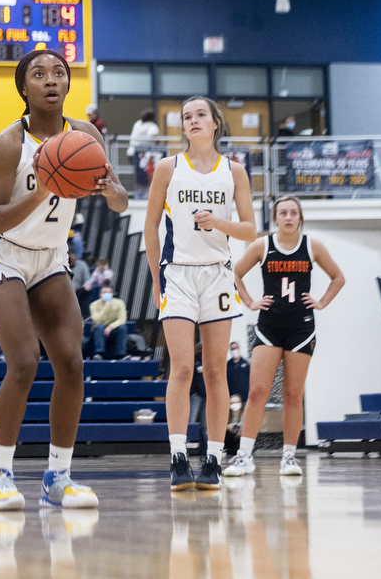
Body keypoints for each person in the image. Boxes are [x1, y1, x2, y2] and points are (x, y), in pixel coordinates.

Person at [0, 49, 126, 512]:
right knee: (23, 362)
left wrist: (111, 191)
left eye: (59, 72)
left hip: (51, 256)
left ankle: (58, 478)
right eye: (39, 74)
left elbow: (118, 202)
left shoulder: (85, 135)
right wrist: (44, 189)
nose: (51, 80)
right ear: (24, 88)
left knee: (72, 365)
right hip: (2, 257)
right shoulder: (8, 145)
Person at [144, 96, 257, 493]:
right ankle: (177, 457)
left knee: (215, 371)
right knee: (180, 369)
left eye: (199, 115)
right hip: (177, 275)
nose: (192, 120)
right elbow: (150, 226)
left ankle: (212, 459)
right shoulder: (168, 168)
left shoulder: (234, 171)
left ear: (215, 123)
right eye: (186, 116)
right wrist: (157, 279)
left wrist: (218, 221)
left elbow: (250, 231)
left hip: (217, 277)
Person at [226, 196, 344, 479]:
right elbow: (236, 273)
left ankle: (289, 456)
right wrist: (251, 302)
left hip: (301, 328)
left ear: (299, 217)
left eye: (293, 212)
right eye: (283, 213)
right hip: (269, 325)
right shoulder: (262, 245)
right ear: (275, 218)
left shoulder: (312, 246)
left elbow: (338, 277)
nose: (288, 217)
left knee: (293, 394)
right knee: (257, 392)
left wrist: (322, 302)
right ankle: (244, 456)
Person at [86, 286, 128, 359]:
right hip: (99, 331)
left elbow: (122, 319)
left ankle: (121, 355)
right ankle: (99, 354)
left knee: (122, 327)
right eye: (104, 292)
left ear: (112, 294)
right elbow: (97, 320)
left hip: (113, 330)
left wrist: (110, 327)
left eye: (109, 292)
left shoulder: (119, 303)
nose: (107, 294)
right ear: (100, 295)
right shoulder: (94, 305)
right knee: (99, 327)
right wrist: (105, 308)